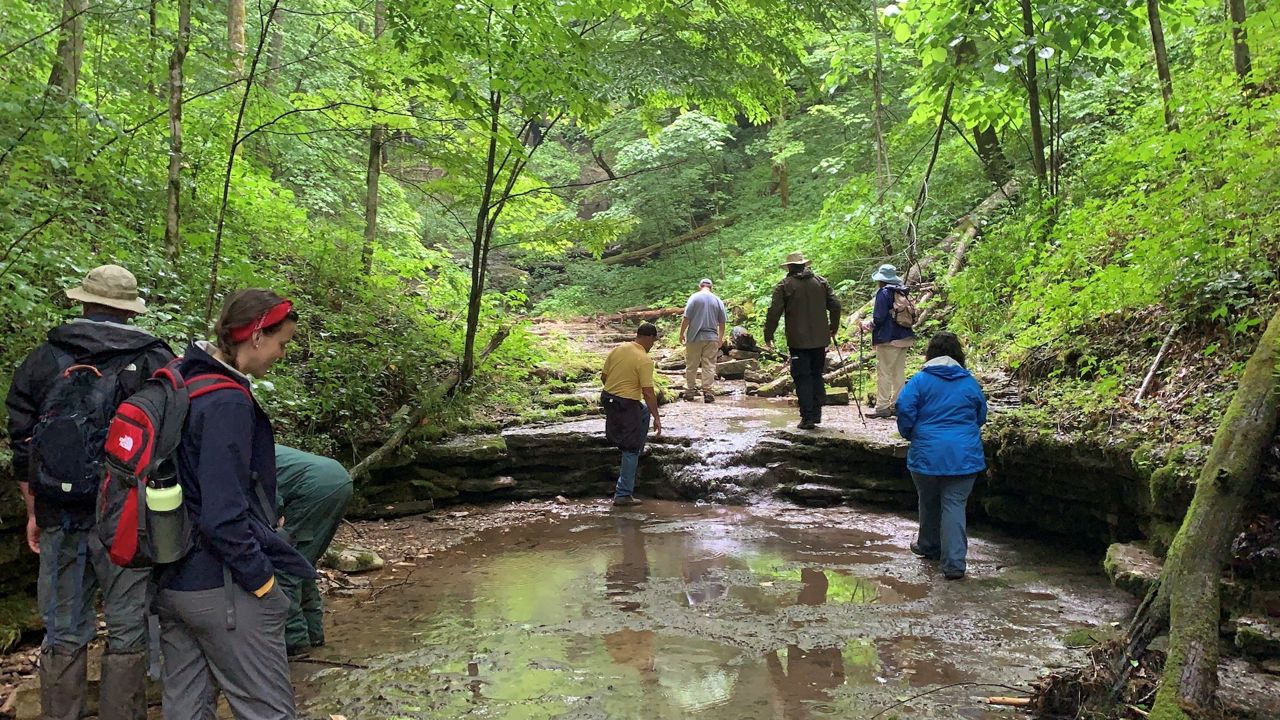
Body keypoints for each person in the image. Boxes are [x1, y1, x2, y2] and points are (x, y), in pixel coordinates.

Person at [5, 264, 174, 720]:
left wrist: (33, 509)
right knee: (127, 627)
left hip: (60, 513)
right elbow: (170, 443)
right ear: (129, 310)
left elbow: (23, 441)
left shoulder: (45, 358)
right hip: (128, 516)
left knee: (63, 629)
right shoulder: (154, 360)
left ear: (83, 303)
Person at [155, 289, 314, 720]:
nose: (282, 354)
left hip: (172, 580)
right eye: (282, 343)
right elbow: (222, 516)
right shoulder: (227, 402)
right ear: (257, 336)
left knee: (186, 710)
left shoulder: (182, 377)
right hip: (220, 586)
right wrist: (263, 583)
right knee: (268, 712)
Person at [895, 331, 988, 580]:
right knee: (954, 505)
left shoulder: (919, 381)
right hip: (964, 456)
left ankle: (928, 545)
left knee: (928, 500)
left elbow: (904, 407)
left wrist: (910, 433)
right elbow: (981, 415)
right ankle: (954, 564)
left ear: (930, 354)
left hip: (926, 453)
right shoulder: (969, 382)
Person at [273, 445, 353, 657]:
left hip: (314, 487)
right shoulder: (254, 444)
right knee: (303, 564)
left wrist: (275, 516)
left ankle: (294, 643)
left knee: (285, 566)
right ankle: (314, 635)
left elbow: (265, 489)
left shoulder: (236, 453)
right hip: (337, 477)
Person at [763, 252, 842, 430]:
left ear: (790, 267)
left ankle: (807, 418)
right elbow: (836, 305)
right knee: (816, 374)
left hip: (798, 342)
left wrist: (768, 335)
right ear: (804, 265)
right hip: (820, 339)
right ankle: (816, 413)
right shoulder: (821, 282)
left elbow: (774, 312)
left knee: (802, 377)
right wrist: (833, 326)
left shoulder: (784, 285)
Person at [600, 322, 662, 506]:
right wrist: (657, 418)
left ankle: (636, 445)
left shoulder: (618, 350)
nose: (652, 345)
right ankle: (623, 494)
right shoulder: (644, 359)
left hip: (608, 398)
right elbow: (648, 392)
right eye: (653, 341)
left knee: (643, 412)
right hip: (625, 404)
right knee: (630, 449)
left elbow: (604, 377)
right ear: (649, 337)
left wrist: (616, 391)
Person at [861, 264, 916, 418]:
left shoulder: (884, 293)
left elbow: (879, 318)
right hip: (904, 337)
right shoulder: (901, 291)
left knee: (884, 372)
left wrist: (867, 325)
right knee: (899, 373)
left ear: (881, 279)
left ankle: (882, 407)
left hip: (888, 339)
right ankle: (898, 404)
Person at [679, 278, 727, 403]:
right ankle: (708, 391)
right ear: (711, 287)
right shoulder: (718, 300)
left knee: (691, 365)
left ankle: (690, 391)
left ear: (700, 286)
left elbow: (686, 318)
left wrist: (681, 333)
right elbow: (722, 322)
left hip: (694, 337)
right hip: (711, 338)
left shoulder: (694, 298)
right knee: (709, 365)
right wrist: (720, 338)